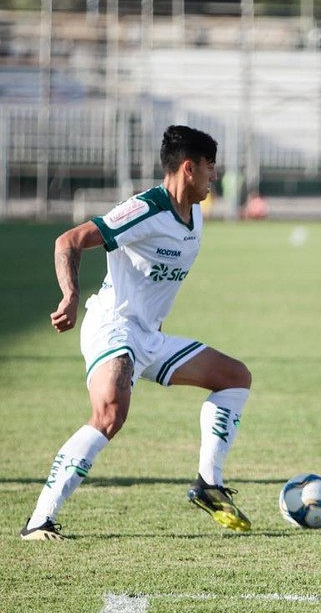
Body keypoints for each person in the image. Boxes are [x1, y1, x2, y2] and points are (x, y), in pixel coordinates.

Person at [20, 125, 253, 540]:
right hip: (112, 327)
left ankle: (208, 484)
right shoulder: (145, 210)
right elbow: (69, 240)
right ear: (188, 167)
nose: (214, 176)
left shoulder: (195, 212)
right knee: (110, 413)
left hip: (149, 336)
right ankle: (40, 520)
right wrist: (70, 295)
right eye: (210, 167)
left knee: (235, 377)